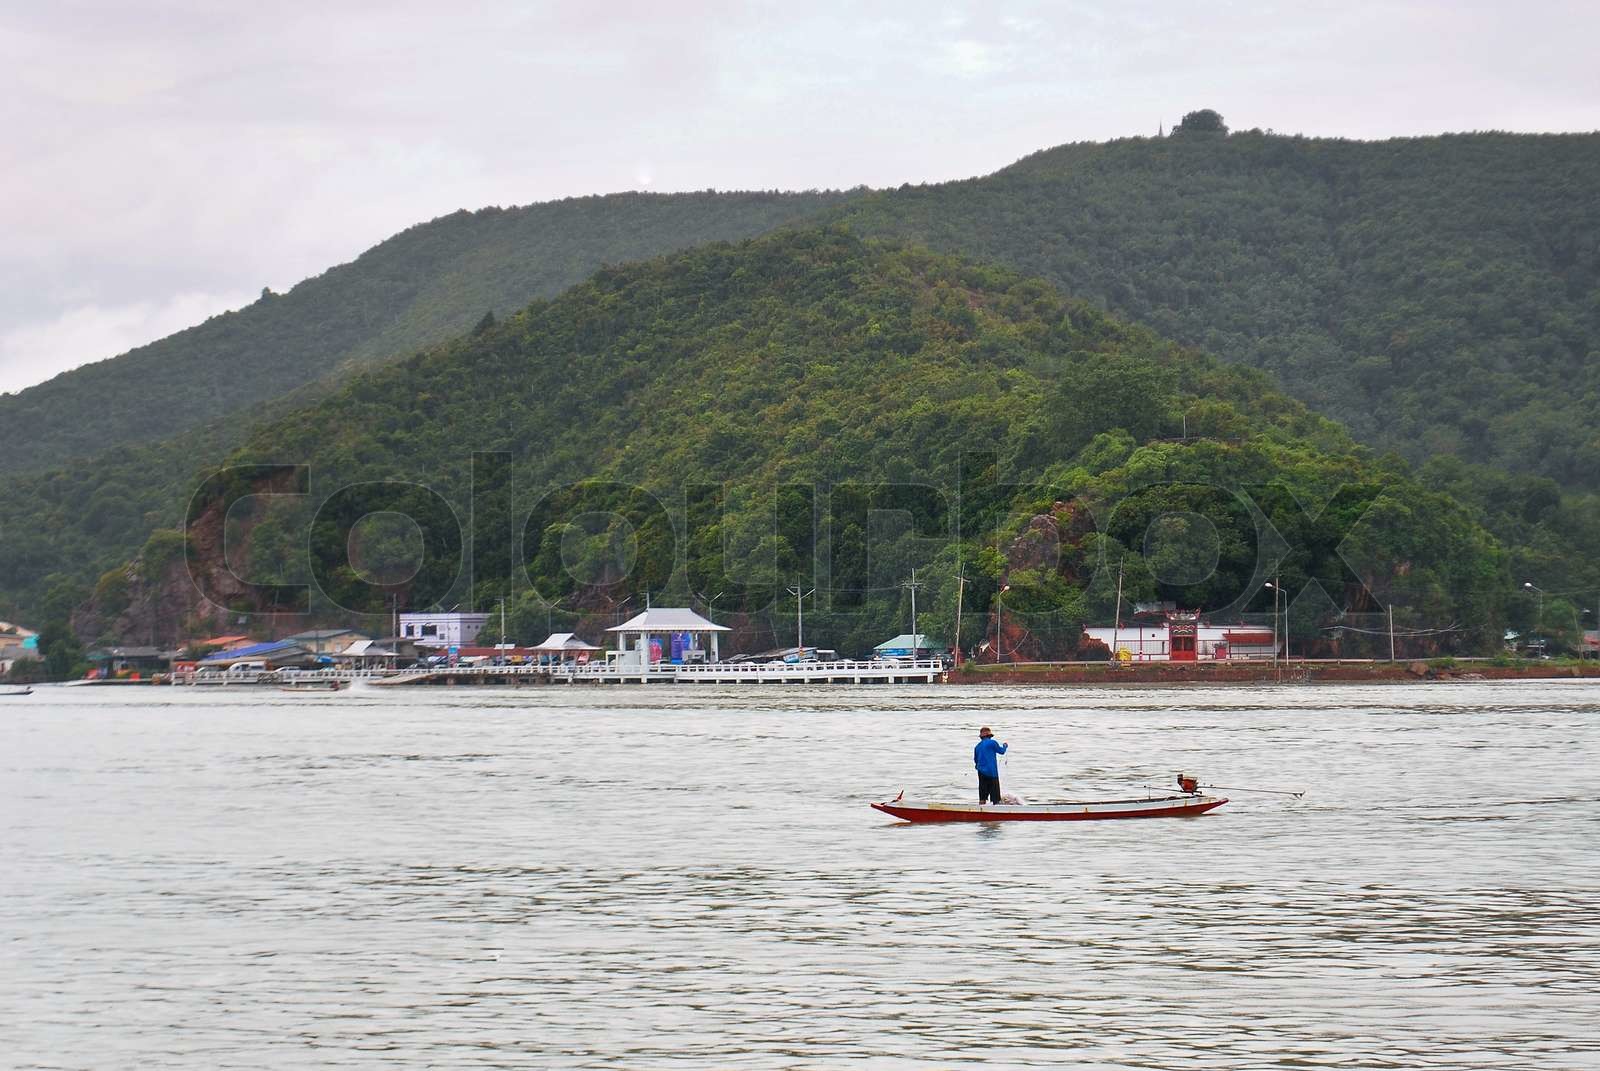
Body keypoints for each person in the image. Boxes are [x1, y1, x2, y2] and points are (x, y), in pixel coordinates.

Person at [973, 726, 1008, 804]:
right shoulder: (992, 743)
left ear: (981, 737)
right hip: (992, 772)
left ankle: (981, 808)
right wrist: (1005, 746)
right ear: (990, 736)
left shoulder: (977, 747)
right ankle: (996, 810)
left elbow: (976, 761)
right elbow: (1001, 751)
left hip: (981, 772)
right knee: (995, 796)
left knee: (982, 793)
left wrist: (978, 767)